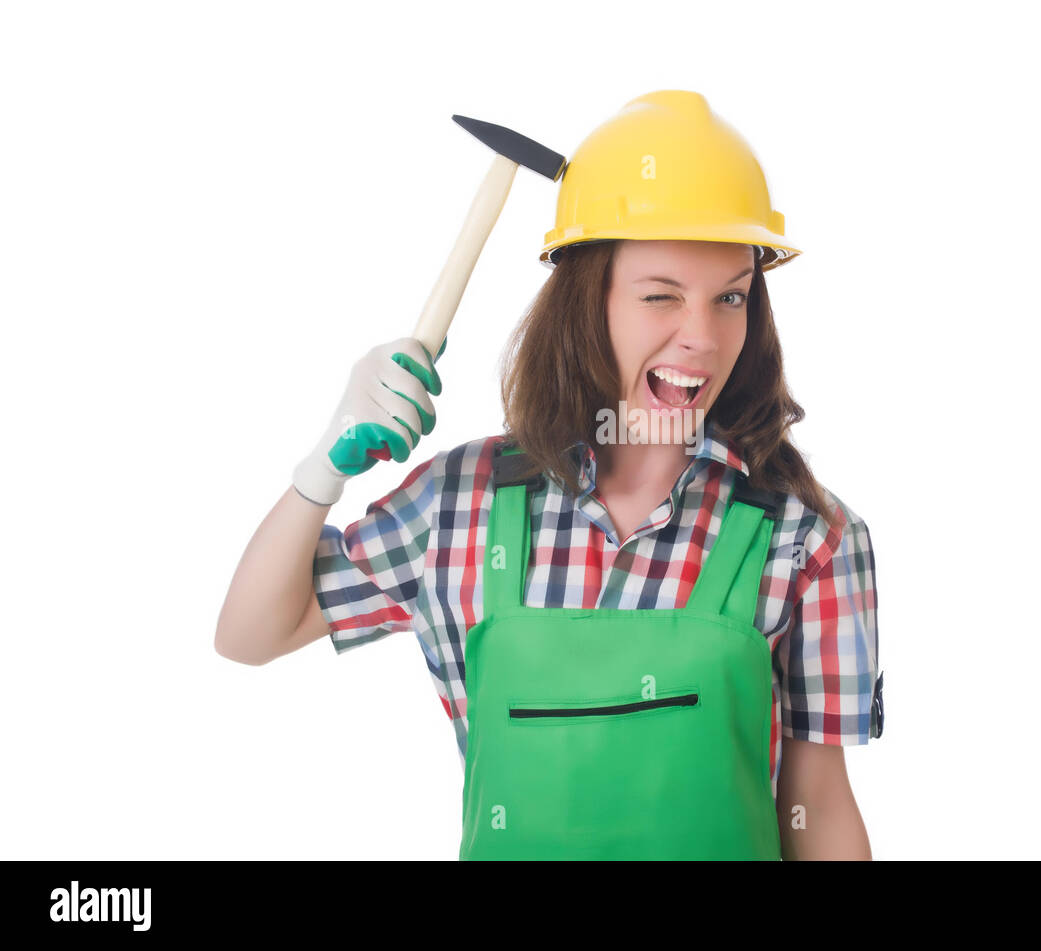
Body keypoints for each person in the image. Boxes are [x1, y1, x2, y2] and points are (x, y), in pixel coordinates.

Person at [215, 90, 883, 860]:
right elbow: (249, 634)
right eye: (660, 296)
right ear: (583, 303)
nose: (701, 336)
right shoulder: (459, 504)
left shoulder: (807, 537)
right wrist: (320, 469)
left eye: (730, 296)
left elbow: (817, 809)